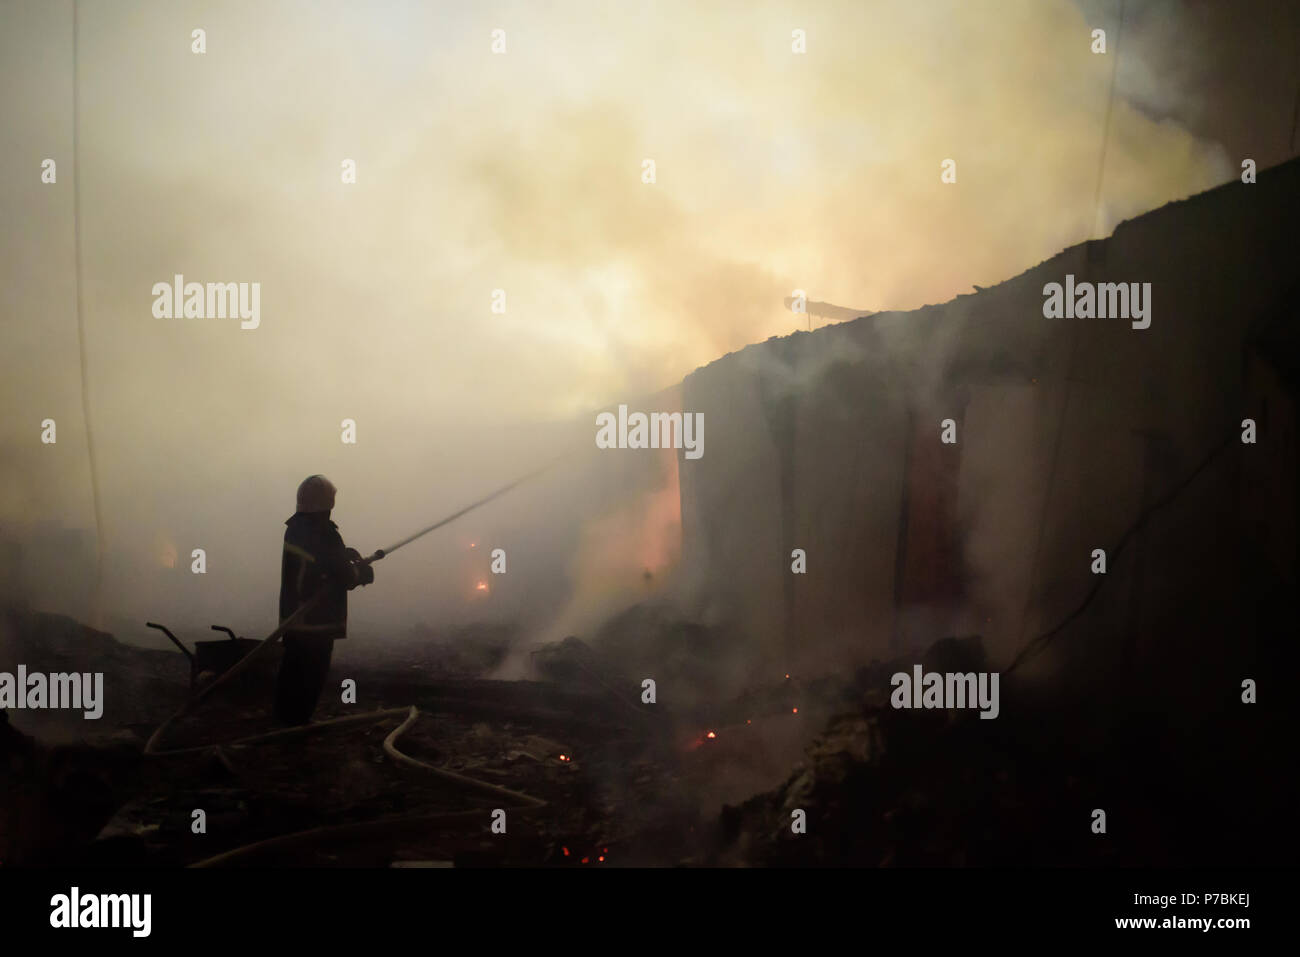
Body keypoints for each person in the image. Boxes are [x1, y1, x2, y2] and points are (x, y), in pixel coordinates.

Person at [275, 475, 374, 725]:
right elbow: (343, 575)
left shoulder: (296, 529)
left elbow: (321, 564)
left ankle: (283, 721)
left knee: (291, 672)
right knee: (311, 677)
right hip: (318, 622)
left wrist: (344, 555)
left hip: (294, 620)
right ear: (327, 505)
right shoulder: (324, 534)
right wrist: (362, 573)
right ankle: (297, 726)